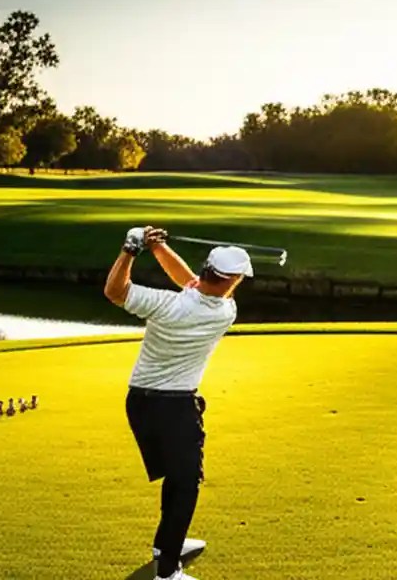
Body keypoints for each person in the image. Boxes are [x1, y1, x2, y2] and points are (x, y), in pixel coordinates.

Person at [104, 226, 253, 580]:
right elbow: (189, 283)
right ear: (232, 281)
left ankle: (166, 544)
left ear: (206, 270)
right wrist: (158, 249)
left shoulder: (168, 305)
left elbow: (115, 291)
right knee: (187, 483)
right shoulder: (225, 310)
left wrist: (134, 249)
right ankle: (167, 571)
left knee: (178, 475)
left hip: (139, 402)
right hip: (174, 408)